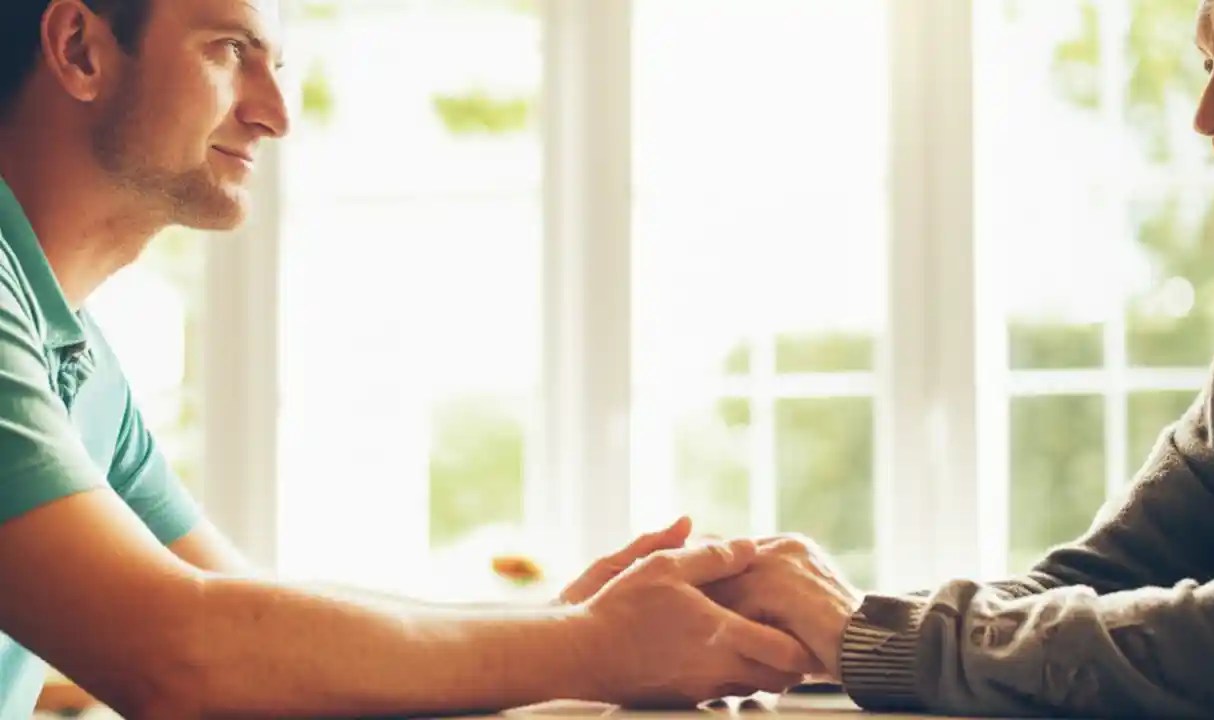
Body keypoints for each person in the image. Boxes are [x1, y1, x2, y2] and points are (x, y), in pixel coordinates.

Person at [0, 0, 819, 717]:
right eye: (229, 51)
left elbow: (254, 632)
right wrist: (589, 644)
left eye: (276, 65)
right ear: (79, 48)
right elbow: (183, 656)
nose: (277, 113)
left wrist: (568, 619)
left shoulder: (78, 357)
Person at [704, 1, 1214, 717]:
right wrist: (820, 625)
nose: (1207, 114)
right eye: (1207, 63)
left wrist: (886, 637)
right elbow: (1105, 579)